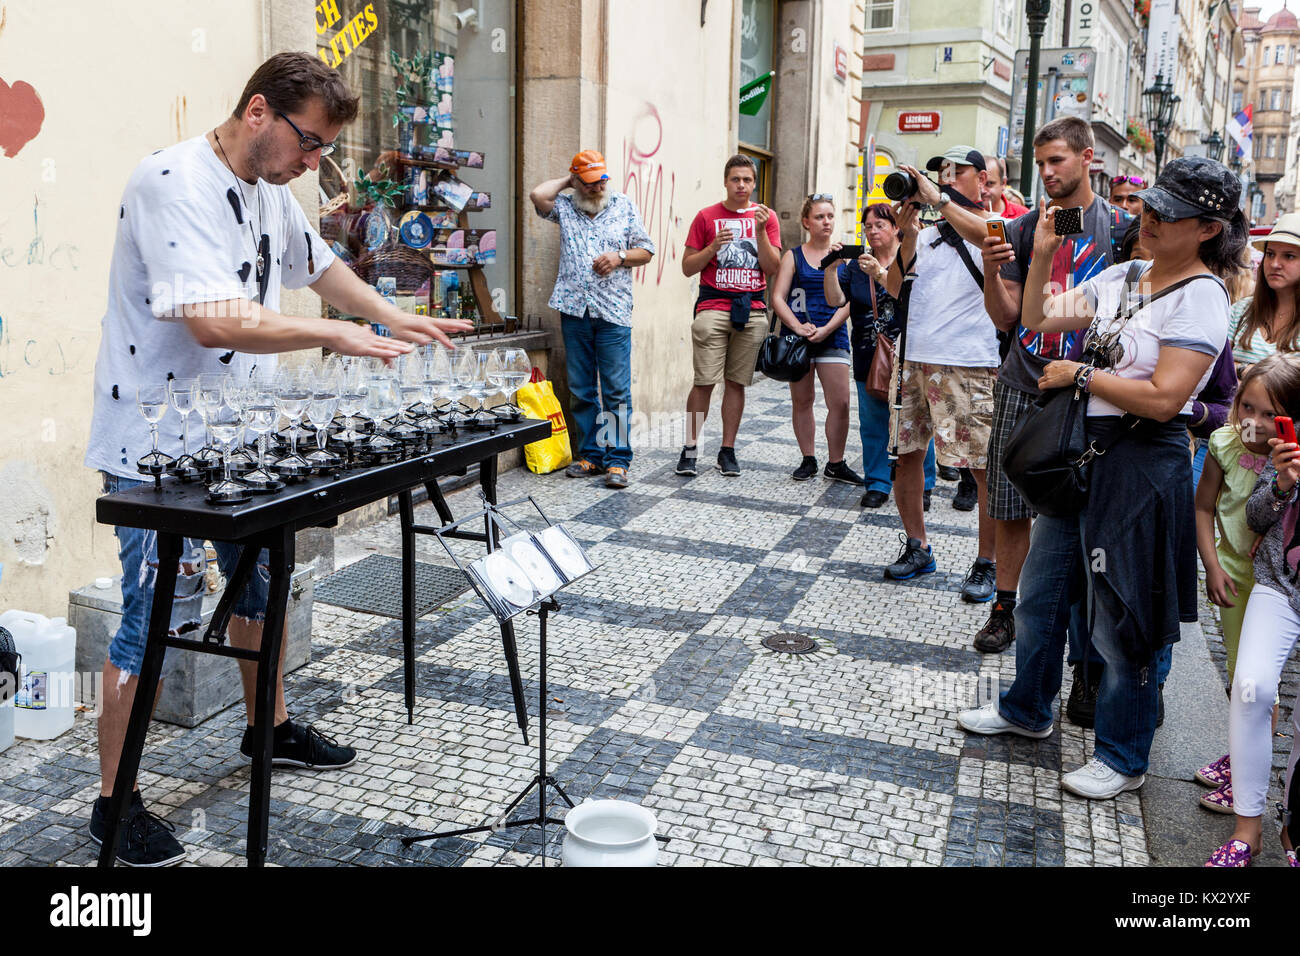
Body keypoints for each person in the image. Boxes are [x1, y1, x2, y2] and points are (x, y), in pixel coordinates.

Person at [84, 52, 471, 866]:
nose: (315, 161)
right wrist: (332, 335)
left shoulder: (272, 190)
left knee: (263, 588)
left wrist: (395, 320)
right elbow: (212, 321)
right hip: (158, 452)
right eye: (311, 142)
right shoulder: (169, 181)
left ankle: (269, 728)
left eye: (323, 148)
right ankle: (114, 802)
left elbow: (320, 266)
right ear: (258, 111)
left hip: (240, 438)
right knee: (154, 626)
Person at [958, 155, 1246, 801]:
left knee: (1123, 616)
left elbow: (1168, 397)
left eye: (1165, 215)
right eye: (1148, 206)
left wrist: (1082, 376)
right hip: (1082, 456)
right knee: (1040, 592)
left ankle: (1124, 754)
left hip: (1143, 462)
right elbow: (1038, 320)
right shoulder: (1129, 272)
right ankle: (1027, 708)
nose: (1147, 219)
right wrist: (1036, 256)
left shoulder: (1203, 295)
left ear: (1205, 228)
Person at [977, 116, 1131, 655]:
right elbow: (1009, 318)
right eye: (1040, 163)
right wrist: (993, 273)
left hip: (1087, 390)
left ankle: (1082, 640)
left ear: (1089, 157)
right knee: (1008, 501)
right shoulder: (1023, 227)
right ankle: (1005, 607)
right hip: (1025, 376)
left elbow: (1131, 318)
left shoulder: (1119, 227)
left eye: (1056, 160)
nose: (1045, 172)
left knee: (1079, 511)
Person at [881, 146, 1000, 602]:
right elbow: (895, 289)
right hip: (913, 362)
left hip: (967, 364)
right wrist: (907, 236)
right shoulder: (927, 236)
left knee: (982, 467)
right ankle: (918, 545)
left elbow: (991, 245)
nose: (945, 179)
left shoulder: (994, 227)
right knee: (907, 453)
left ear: (983, 181)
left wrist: (941, 202)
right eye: (939, 172)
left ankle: (987, 563)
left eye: (957, 172)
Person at [1206, 353, 1300, 866]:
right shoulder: (1267, 454)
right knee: (1250, 686)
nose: (1259, 424)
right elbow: (1255, 513)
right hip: (1277, 580)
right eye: (1251, 409)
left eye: (1273, 413)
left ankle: (1293, 831)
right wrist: (1285, 482)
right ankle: (1248, 830)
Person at [529, 149, 656, 489]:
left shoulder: (624, 205)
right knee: (582, 388)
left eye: (602, 179)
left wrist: (619, 257)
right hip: (574, 310)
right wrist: (569, 181)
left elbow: (646, 250)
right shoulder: (565, 209)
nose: (599, 187)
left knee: (615, 390)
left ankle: (617, 460)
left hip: (613, 312)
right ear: (577, 184)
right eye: (590, 182)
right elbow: (537, 195)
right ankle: (590, 455)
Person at [823, 203, 938, 508]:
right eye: (868, 226)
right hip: (869, 353)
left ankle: (923, 485)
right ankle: (878, 481)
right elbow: (836, 300)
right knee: (873, 421)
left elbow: (920, 299)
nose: (873, 231)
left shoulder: (915, 256)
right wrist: (831, 269)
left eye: (880, 225)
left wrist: (880, 273)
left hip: (913, 351)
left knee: (917, 421)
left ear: (896, 227)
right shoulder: (856, 266)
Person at [675, 155, 781, 478]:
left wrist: (761, 231)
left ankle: (727, 450)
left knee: (736, 384)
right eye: (736, 179)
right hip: (713, 307)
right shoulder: (707, 217)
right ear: (725, 181)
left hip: (751, 309)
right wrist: (712, 247)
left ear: (753, 183)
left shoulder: (767, 217)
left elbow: (773, 268)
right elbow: (687, 267)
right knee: (704, 381)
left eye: (747, 180)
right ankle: (691, 448)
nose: (741, 186)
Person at [769, 195, 862, 483]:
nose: (826, 222)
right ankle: (808, 458)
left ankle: (836, 462)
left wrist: (827, 328)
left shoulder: (845, 257)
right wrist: (797, 327)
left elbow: (848, 301)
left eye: (830, 216)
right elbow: (777, 297)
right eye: (820, 217)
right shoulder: (793, 256)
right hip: (799, 339)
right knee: (802, 400)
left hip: (832, 336)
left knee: (841, 402)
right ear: (807, 222)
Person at [1227, 212, 1300, 367]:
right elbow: (1215, 366)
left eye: (1289, 256)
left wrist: (1240, 367)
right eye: (1270, 254)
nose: (1275, 264)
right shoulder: (1240, 310)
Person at [983, 153, 1029, 219]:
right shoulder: (966, 214)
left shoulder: (1023, 215)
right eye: (979, 184)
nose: (982, 190)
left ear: (1003, 183)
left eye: (989, 184)